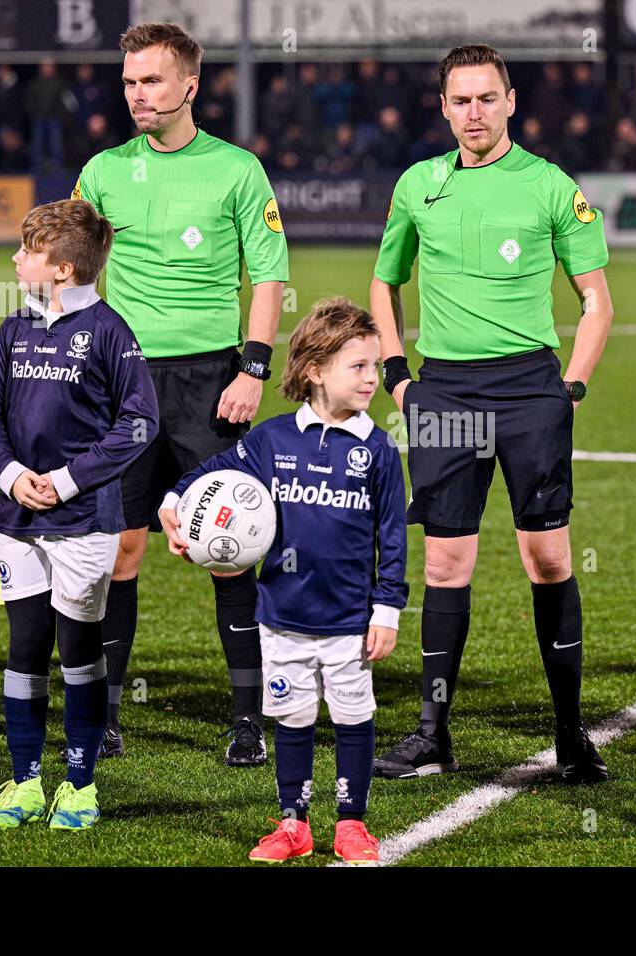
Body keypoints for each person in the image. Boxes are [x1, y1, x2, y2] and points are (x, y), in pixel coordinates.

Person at [370, 44, 614, 783]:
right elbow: (385, 282)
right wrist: (398, 376)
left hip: (530, 389)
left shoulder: (549, 186)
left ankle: (571, 736)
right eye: (460, 100)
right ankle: (432, 734)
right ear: (443, 108)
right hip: (444, 390)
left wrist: (569, 386)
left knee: (547, 559)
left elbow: (597, 302)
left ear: (511, 100)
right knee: (445, 563)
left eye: (486, 98)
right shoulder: (419, 186)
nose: (473, 112)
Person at [73, 22, 288, 764]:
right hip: (123, 384)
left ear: (190, 86)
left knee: (229, 547)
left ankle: (248, 722)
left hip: (211, 381)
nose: (138, 94)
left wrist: (253, 369)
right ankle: (102, 719)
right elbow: (72, 271)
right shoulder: (102, 171)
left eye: (152, 81)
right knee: (120, 549)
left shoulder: (237, 171)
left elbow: (269, 276)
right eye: (129, 82)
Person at [159, 298, 407, 864]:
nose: (373, 378)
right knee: (291, 717)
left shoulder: (378, 451)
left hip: (349, 618)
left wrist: (387, 609)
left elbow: (391, 537)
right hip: (280, 614)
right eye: (359, 367)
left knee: (352, 715)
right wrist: (176, 504)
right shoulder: (272, 441)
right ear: (316, 370)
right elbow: (207, 473)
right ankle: (294, 823)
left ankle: (351, 823)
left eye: (374, 366)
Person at [0, 199, 158, 830]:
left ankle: (79, 783)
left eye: (28, 250)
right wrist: (14, 475)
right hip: (19, 517)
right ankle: (24, 783)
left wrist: (69, 480)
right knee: (24, 647)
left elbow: (140, 423)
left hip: (85, 522)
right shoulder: (15, 326)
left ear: (64, 268)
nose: (15, 258)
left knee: (78, 649)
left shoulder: (110, 331)